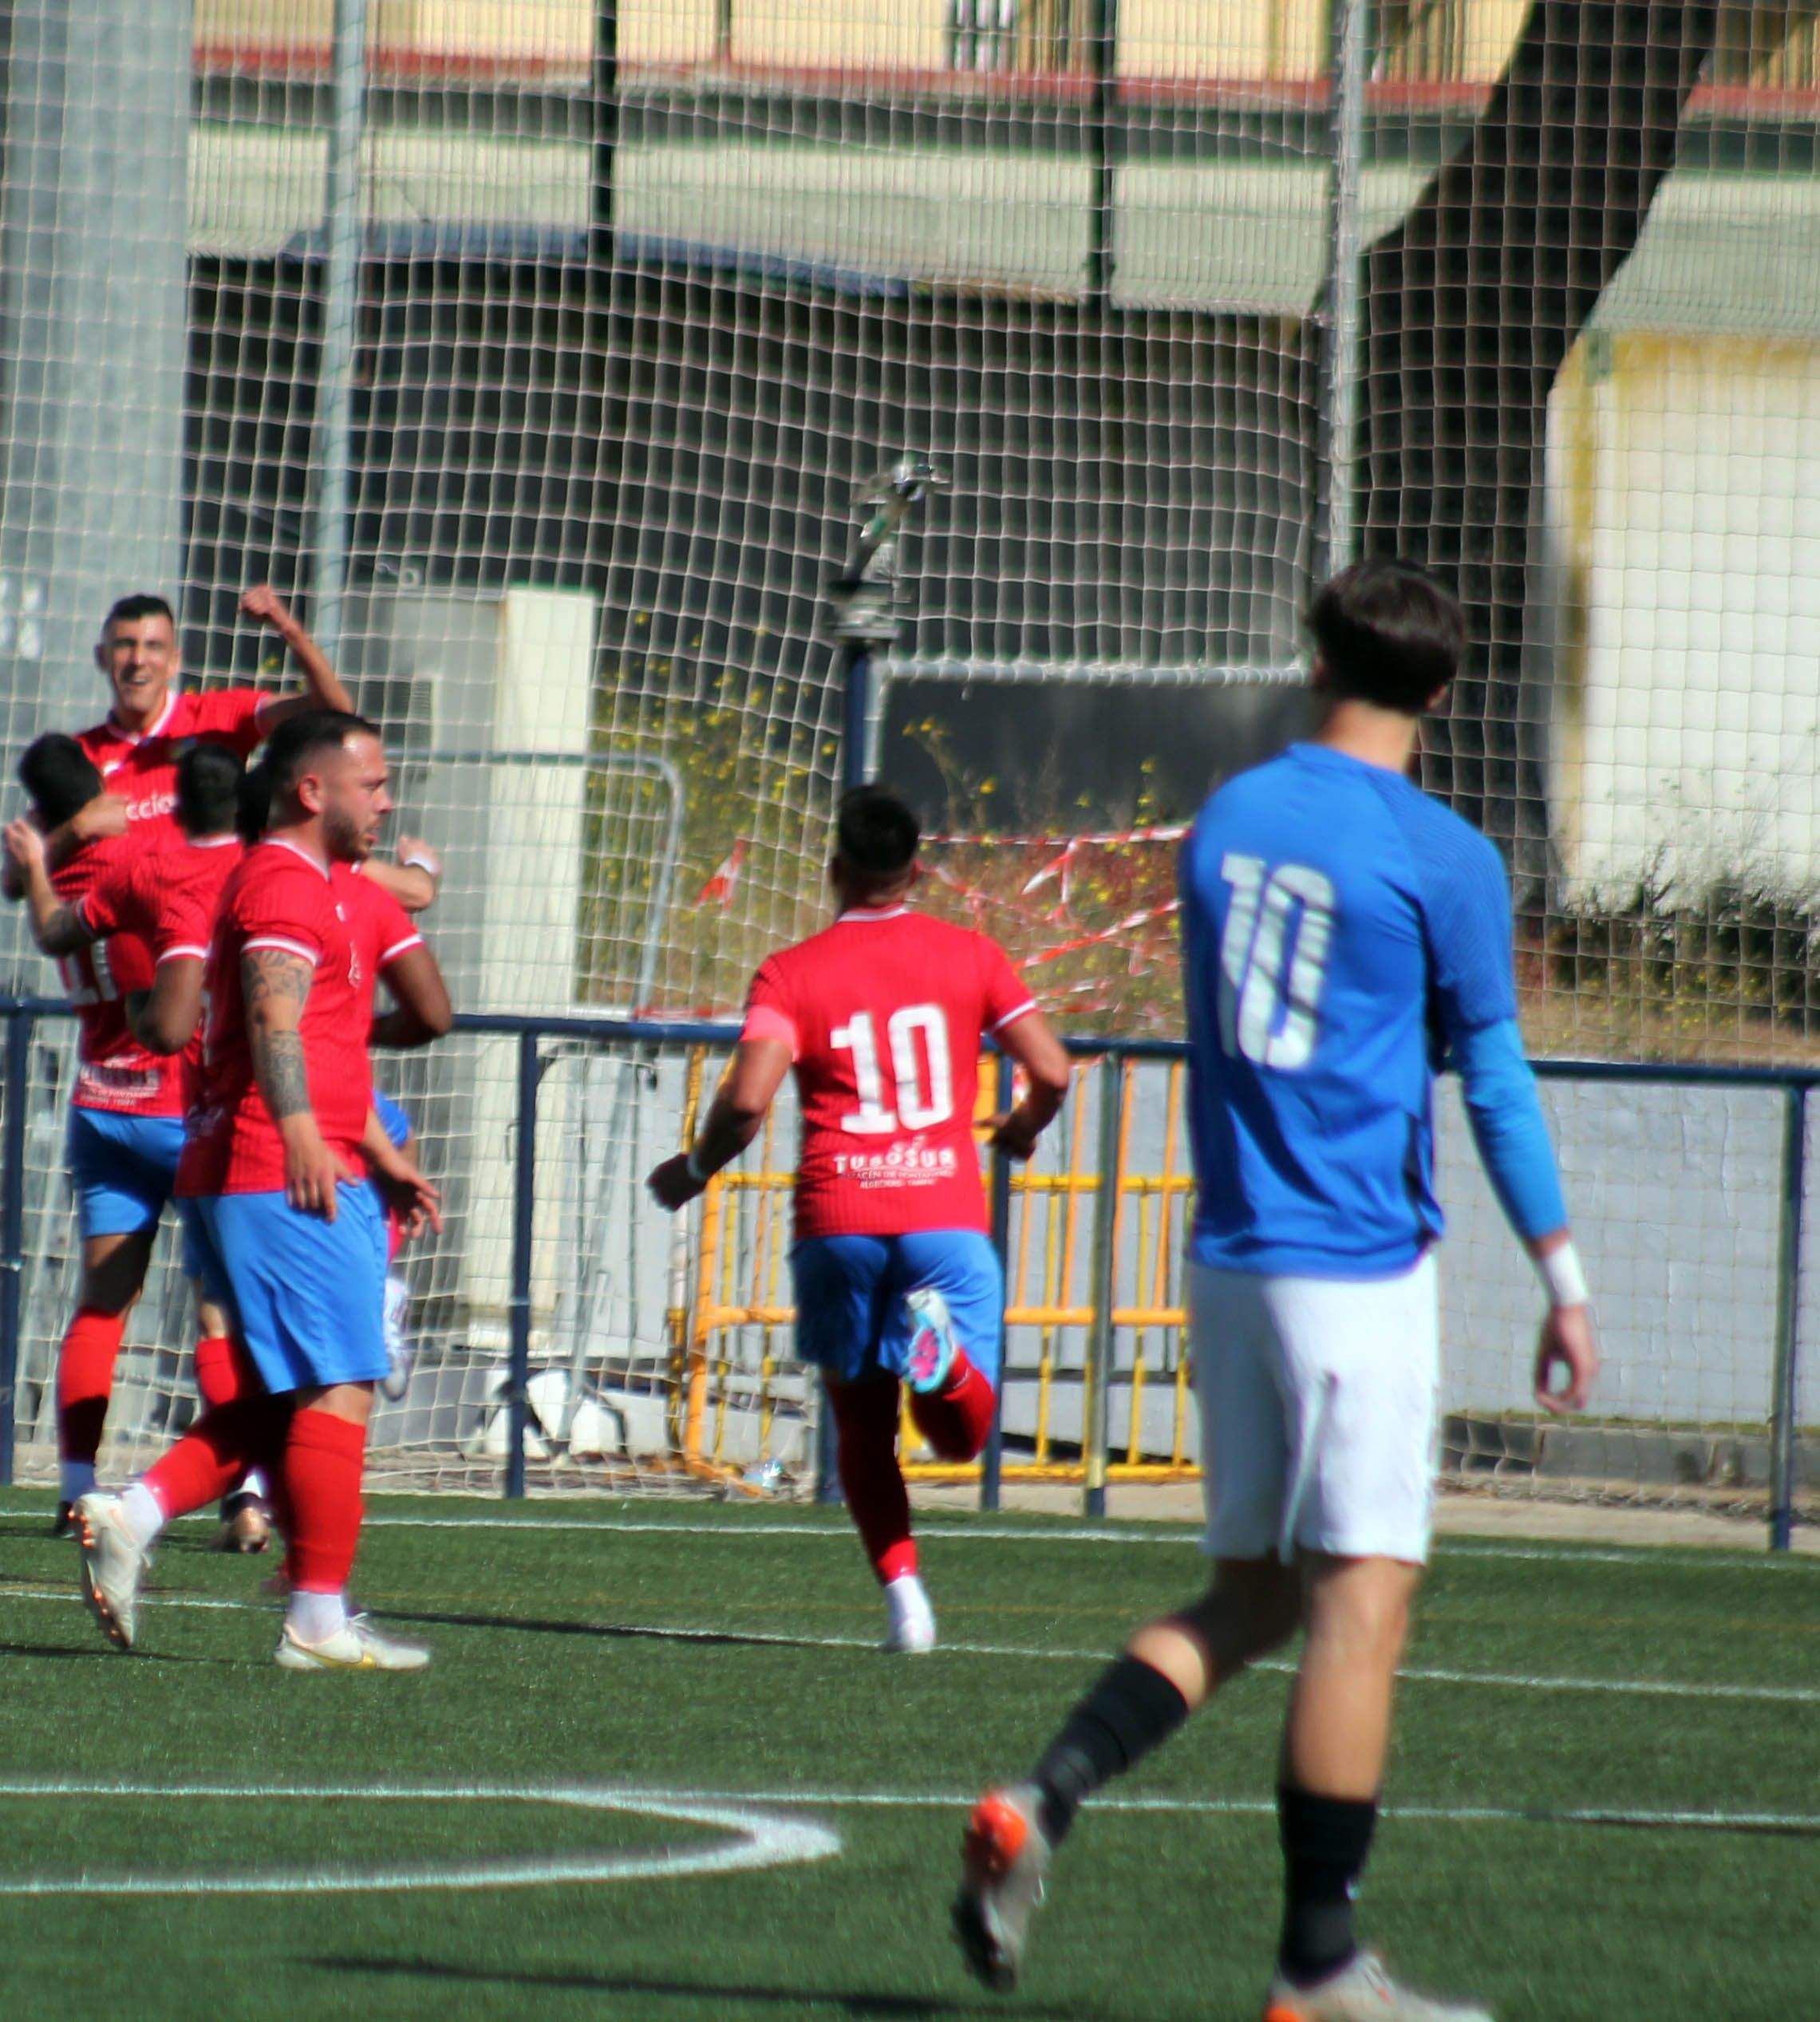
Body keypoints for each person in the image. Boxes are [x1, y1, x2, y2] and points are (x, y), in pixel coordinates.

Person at [953, 559, 1601, 2022]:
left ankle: (1039, 1797)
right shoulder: (1441, 852)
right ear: (1441, 695)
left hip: (1230, 1254)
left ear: (1314, 658)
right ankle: (1317, 1961)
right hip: (1355, 1267)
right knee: (1360, 1606)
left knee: (1246, 1593)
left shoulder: (1231, 815)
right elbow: (1489, 1076)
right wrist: (1562, 1273)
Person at [649, 784, 1072, 1654]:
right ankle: (943, 1358)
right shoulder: (973, 954)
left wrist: (695, 1170)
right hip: (942, 1215)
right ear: (916, 869)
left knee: (862, 1431)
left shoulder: (791, 971)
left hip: (836, 1218)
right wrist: (1020, 1131)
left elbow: (747, 1101)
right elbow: (1054, 1071)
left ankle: (906, 1602)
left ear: (835, 867)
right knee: (961, 1435)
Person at [73, 712, 451, 1672]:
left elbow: (322, 1042)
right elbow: (277, 1017)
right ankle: (318, 1618)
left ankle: (138, 1508)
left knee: (290, 1399)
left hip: (262, 1158)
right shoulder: (285, 881)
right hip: (275, 1165)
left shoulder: (319, 882)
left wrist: (376, 1145)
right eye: (372, 782)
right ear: (312, 790)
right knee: (340, 1385)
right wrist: (297, 1134)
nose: (387, 799)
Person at [3, 735, 253, 1542]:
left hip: (103, 1101)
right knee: (220, 1313)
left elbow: (45, 919)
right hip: (183, 1107)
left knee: (103, 1306)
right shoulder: (152, 859)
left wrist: (48, 849)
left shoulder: (80, 871)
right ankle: (246, 1493)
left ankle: (77, 1486)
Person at [28, 586, 357, 865]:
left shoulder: (217, 716)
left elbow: (336, 712)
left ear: (174, 662)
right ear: (101, 657)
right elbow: (17, 876)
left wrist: (287, 628)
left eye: (154, 646)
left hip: (213, 927)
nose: (138, 660)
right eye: (125, 646)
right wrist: (79, 827)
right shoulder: (78, 757)